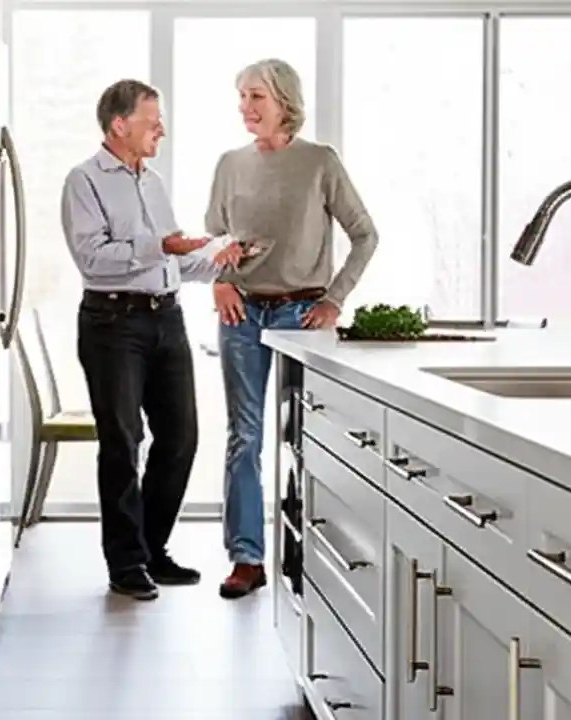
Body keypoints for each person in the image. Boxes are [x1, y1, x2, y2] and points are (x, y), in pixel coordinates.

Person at [207, 59, 379, 599]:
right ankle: (247, 558)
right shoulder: (230, 164)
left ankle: (310, 550)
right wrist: (220, 282)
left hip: (303, 317)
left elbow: (365, 235)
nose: (245, 106)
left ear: (284, 100)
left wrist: (335, 299)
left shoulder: (320, 163)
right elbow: (213, 239)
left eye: (255, 95)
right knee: (244, 437)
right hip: (242, 315)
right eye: (241, 96)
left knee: (309, 437)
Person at [60, 79, 227, 601]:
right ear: (119, 125)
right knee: (122, 443)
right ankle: (126, 562)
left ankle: (152, 549)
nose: (162, 130)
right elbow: (93, 258)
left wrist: (217, 258)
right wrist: (161, 244)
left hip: (166, 319)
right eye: (152, 121)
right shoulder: (83, 180)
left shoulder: (151, 181)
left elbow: (169, 260)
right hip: (113, 325)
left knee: (181, 438)